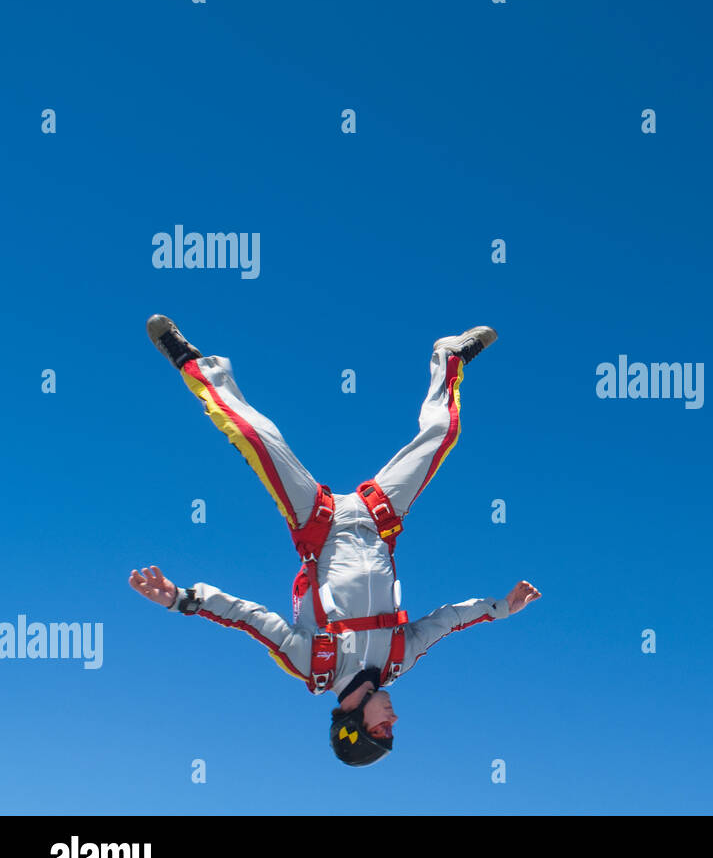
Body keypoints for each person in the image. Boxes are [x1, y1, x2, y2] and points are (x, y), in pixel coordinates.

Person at [129, 316, 541, 765]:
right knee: (445, 434)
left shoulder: (312, 664)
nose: (394, 721)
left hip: (317, 524)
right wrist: (500, 609)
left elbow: (248, 618)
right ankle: (449, 358)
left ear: (352, 724)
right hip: (379, 519)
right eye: (391, 730)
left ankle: (191, 363)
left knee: (254, 437)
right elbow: (448, 621)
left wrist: (182, 599)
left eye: (381, 729)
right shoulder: (397, 661)